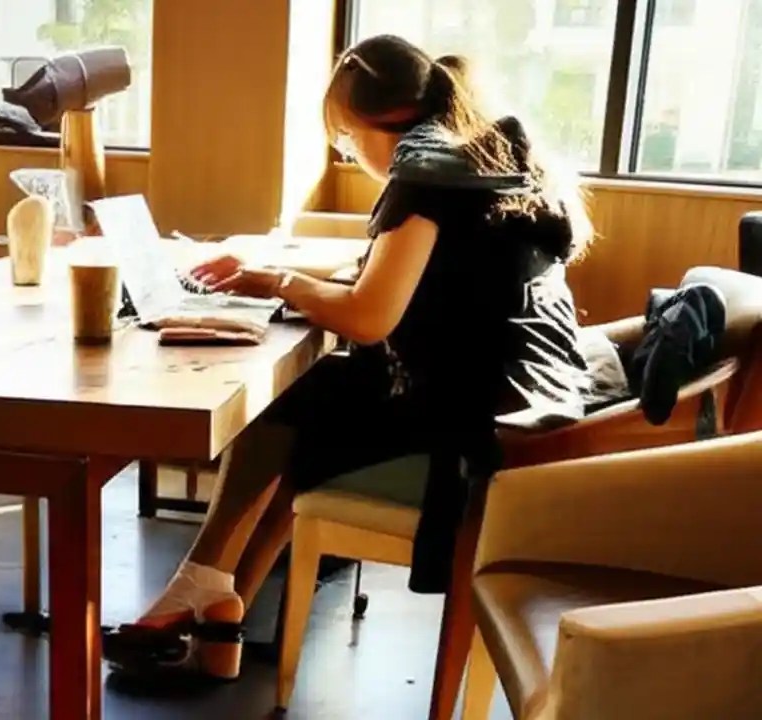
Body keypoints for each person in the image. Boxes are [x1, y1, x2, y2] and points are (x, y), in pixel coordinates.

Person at [103, 34, 596, 684]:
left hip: (476, 439)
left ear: (374, 126)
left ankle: (200, 590)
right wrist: (286, 270)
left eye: (343, 139)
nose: (349, 154)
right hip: (526, 404)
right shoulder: (479, 160)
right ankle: (219, 610)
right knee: (321, 398)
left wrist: (279, 283)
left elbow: (370, 316)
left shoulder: (423, 179)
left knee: (297, 401)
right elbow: (406, 277)